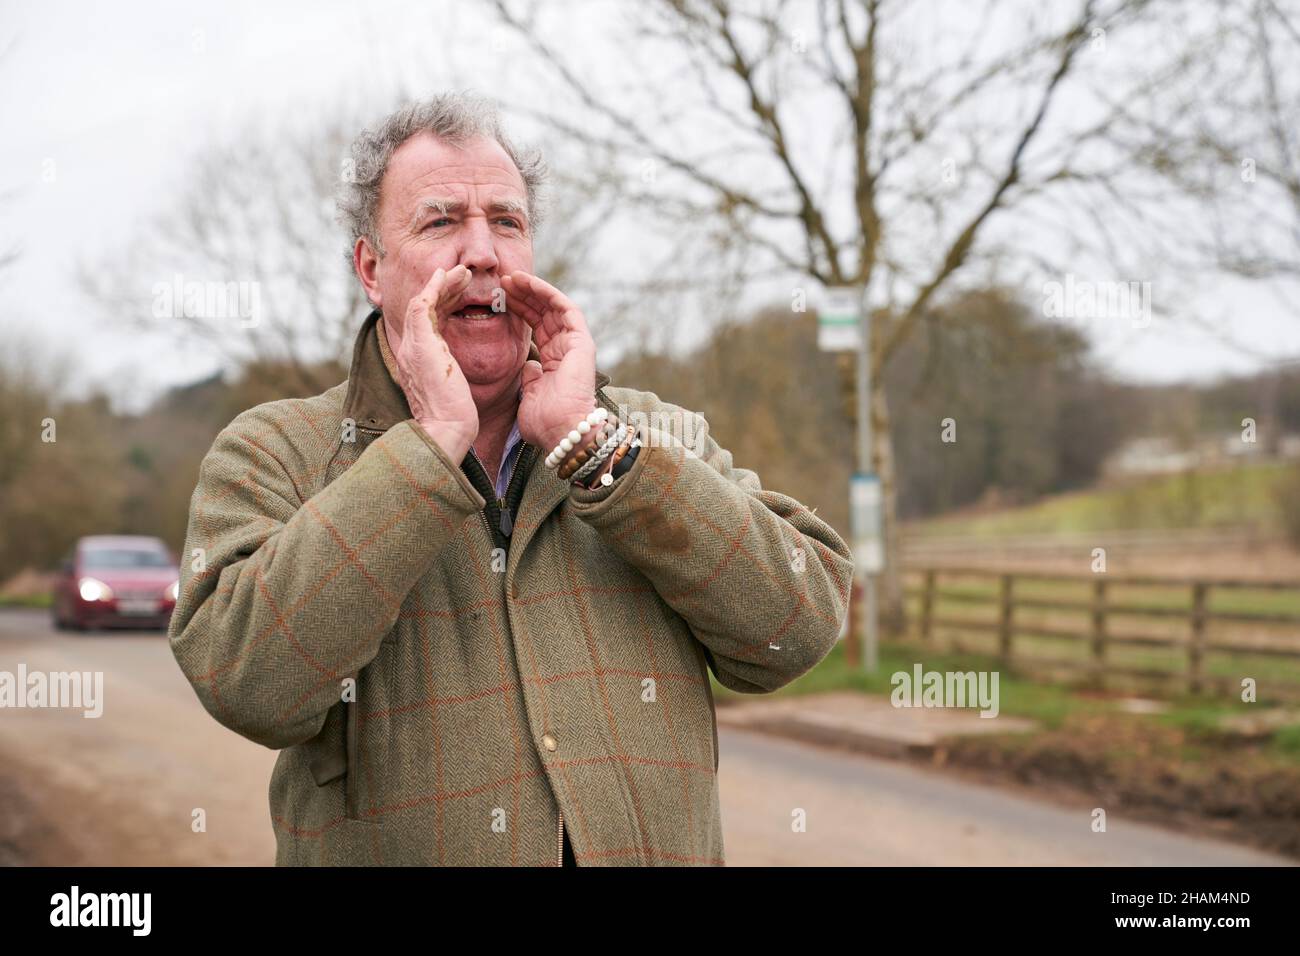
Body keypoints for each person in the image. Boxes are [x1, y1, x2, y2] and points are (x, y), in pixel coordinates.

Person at [168, 92, 854, 866]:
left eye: (507, 221)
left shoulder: (650, 435)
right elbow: (249, 683)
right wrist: (428, 454)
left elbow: (794, 629)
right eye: (439, 221)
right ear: (370, 267)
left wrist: (596, 451)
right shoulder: (274, 451)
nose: (483, 252)